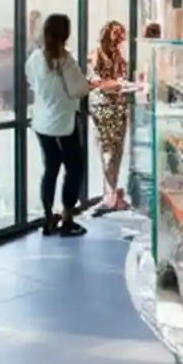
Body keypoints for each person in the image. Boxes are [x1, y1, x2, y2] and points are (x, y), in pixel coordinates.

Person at [25, 14, 120, 236]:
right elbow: (78, 90)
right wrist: (95, 83)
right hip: (63, 124)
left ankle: (48, 218)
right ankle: (67, 217)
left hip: (42, 123)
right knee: (74, 169)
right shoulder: (65, 61)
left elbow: (32, 80)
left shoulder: (36, 58)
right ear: (65, 35)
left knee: (50, 168)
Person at [89, 21, 132, 214]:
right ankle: (109, 195)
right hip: (103, 108)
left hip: (119, 107)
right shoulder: (96, 54)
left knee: (117, 152)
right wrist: (118, 84)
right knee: (107, 152)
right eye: (117, 35)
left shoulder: (118, 56)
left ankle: (112, 194)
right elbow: (96, 83)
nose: (121, 39)